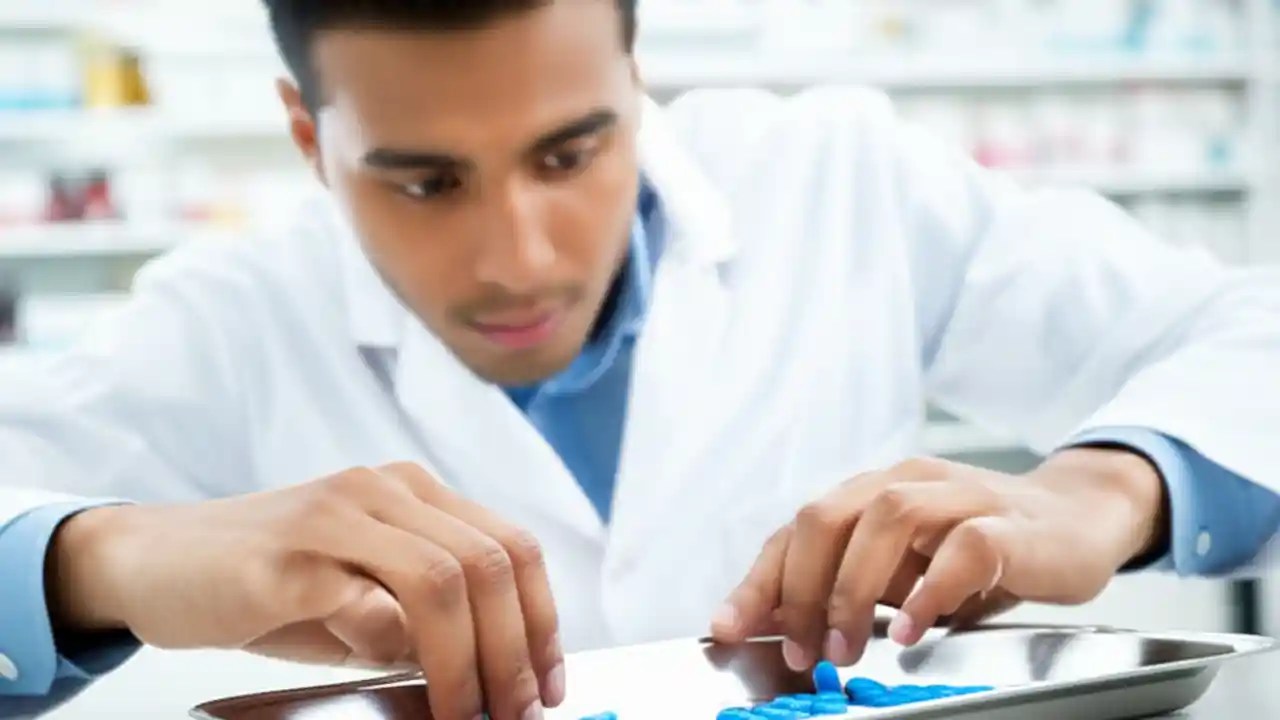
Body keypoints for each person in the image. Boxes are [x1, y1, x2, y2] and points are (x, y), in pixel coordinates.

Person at [2, 1, 1279, 718]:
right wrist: (101, 558)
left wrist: (1101, 489)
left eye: (569, 153)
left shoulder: (839, 180)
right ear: (304, 133)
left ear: (634, 73)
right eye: (423, 180)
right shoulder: (228, 315)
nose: (518, 258)